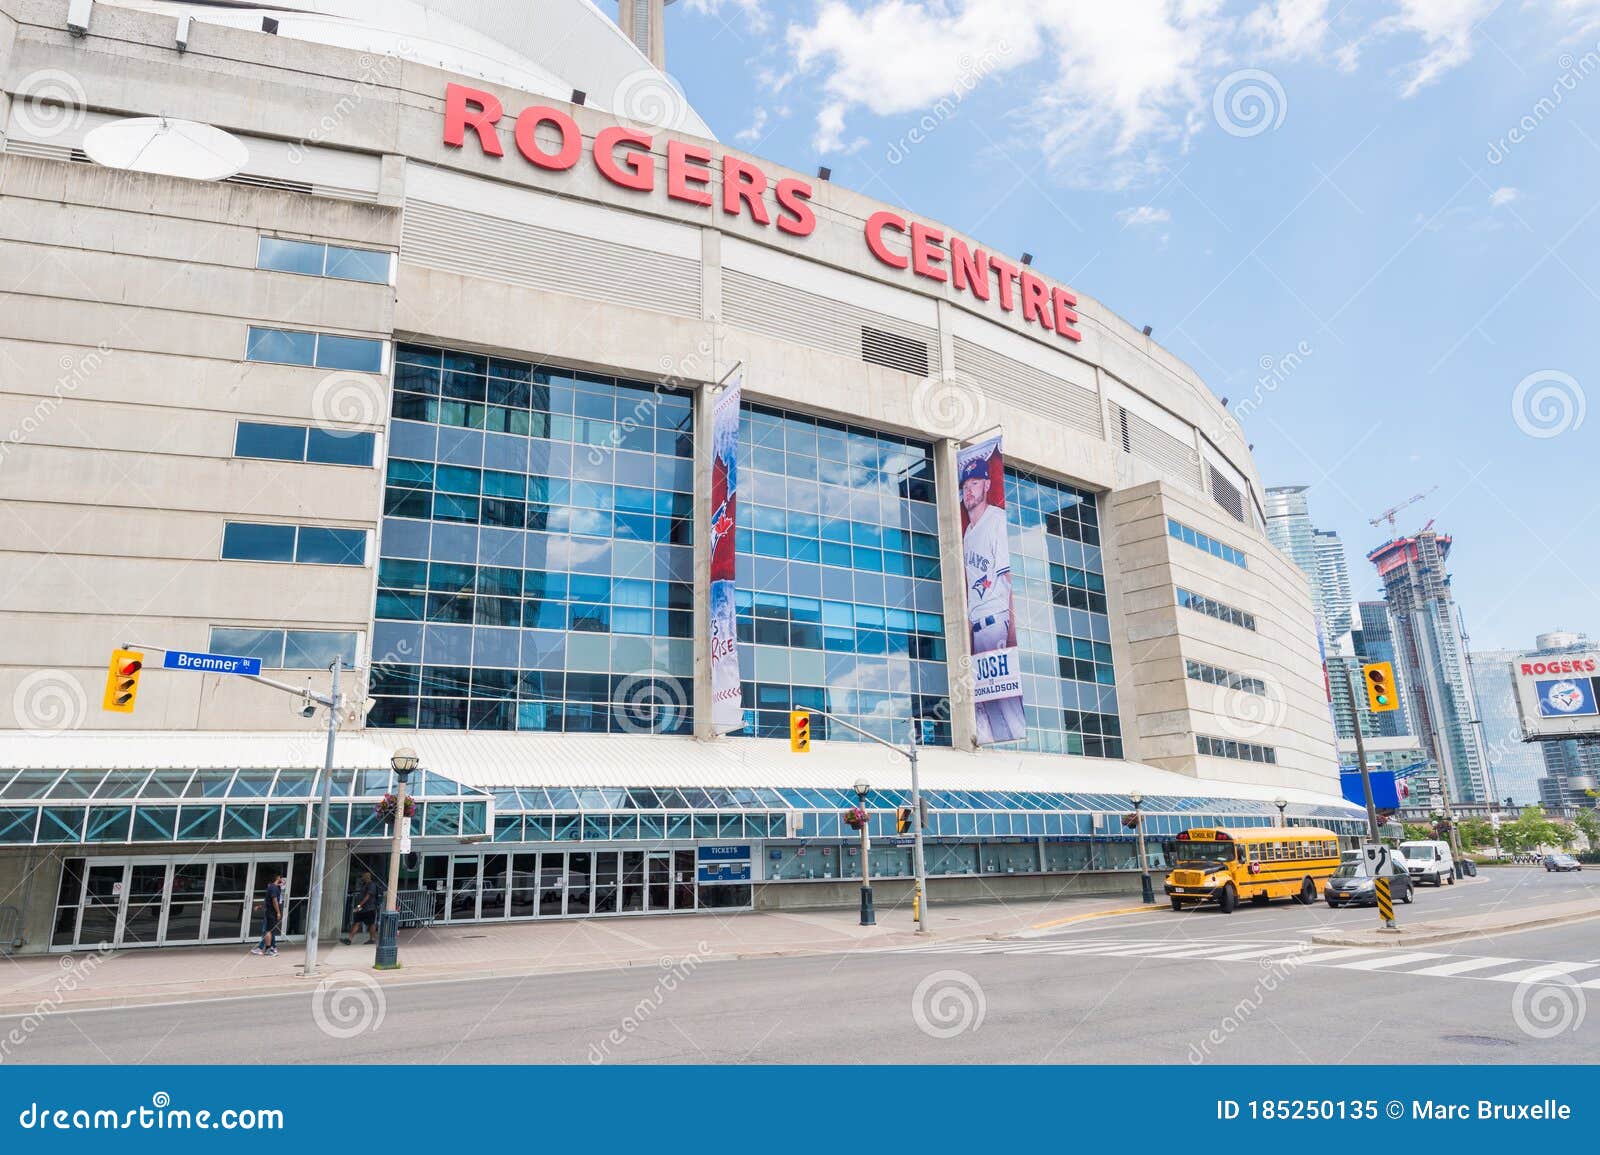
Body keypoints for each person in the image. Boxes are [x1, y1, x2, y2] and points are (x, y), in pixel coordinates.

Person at [959, 451, 1026, 744]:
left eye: (975, 482)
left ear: (987, 484)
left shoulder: (996, 520)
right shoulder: (967, 534)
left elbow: (1008, 579)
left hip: (994, 623)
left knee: (1008, 707)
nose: (969, 489)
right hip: (975, 630)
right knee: (983, 707)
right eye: (965, 484)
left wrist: (1010, 632)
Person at [250, 872, 285, 957]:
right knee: (270, 931)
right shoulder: (276, 888)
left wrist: (278, 912)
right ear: (277, 877)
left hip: (271, 913)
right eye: (281, 877)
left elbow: (274, 901)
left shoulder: (273, 888)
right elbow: (270, 901)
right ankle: (272, 948)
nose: (282, 879)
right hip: (272, 912)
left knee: (267, 931)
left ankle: (268, 949)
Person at [342, 871, 380, 945]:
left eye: (363, 877)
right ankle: (349, 939)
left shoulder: (371, 885)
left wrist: (359, 906)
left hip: (369, 908)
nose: (362, 878)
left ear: (367, 877)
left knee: (371, 924)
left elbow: (367, 897)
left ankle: (372, 939)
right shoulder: (365, 885)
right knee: (357, 923)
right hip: (363, 909)